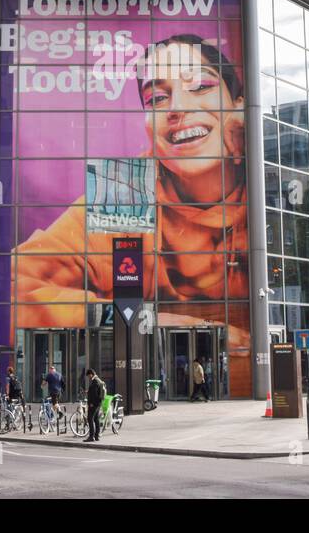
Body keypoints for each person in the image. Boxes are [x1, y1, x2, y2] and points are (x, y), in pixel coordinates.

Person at [13, 36, 248, 338]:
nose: (176, 107)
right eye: (157, 99)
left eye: (201, 86)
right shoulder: (125, 190)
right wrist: (143, 321)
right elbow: (16, 285)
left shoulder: (265, 180)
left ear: (239, 106)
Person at [84, 368, 106, 442]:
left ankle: (91, 436)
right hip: (98, 403)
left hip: (94, 404)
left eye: (88, 375)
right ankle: (97, 436)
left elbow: (94, 394)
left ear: (91, 374)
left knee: (90, 419)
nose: (88, 377)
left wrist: (91, 403)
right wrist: (89, 391)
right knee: (96, 419)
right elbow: (95, 392)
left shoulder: (95, 381)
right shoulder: (98, 380)